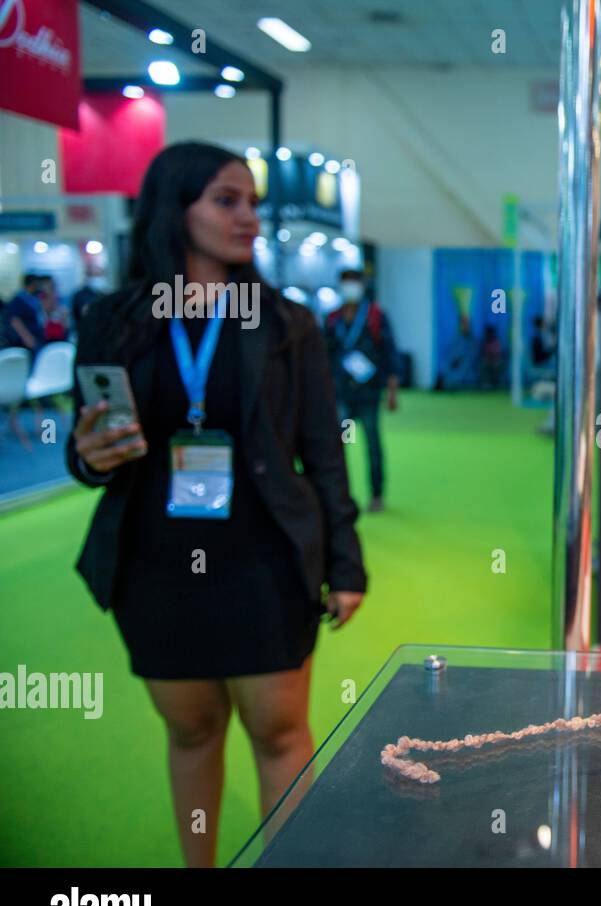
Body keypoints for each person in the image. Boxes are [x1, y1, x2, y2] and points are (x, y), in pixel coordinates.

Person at [66, 142, 367, 867]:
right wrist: (85, 456)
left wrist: (347, 562)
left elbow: (325, 449)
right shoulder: (114, 319)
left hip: (265, 558)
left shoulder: (286, 323)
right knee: (191, 731)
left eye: (252, 202)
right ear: (177, 210)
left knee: (281, 730)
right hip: (157, 564)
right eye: (227, 201)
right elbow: (90, 444)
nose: (250, 218)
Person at [324, 269, 400, 512]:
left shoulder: (375, 316)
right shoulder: (332, 318)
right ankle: (339, 495)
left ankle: (377, 494)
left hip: (368, 392)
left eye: (354, 283)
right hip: (341, 392)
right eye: (346, 283)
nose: (350, 288)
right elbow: (322, 356)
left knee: (372, 443)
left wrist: (392, 390)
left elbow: (390, 352)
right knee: (339, 446)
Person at [4, 273, 50, 352]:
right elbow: (15, 321)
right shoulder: (18, 300)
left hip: (38, 337)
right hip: (25, 343)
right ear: (32, 284)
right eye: (37, 284)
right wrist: (28, 339)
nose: (39, 287)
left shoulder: (34, 298)